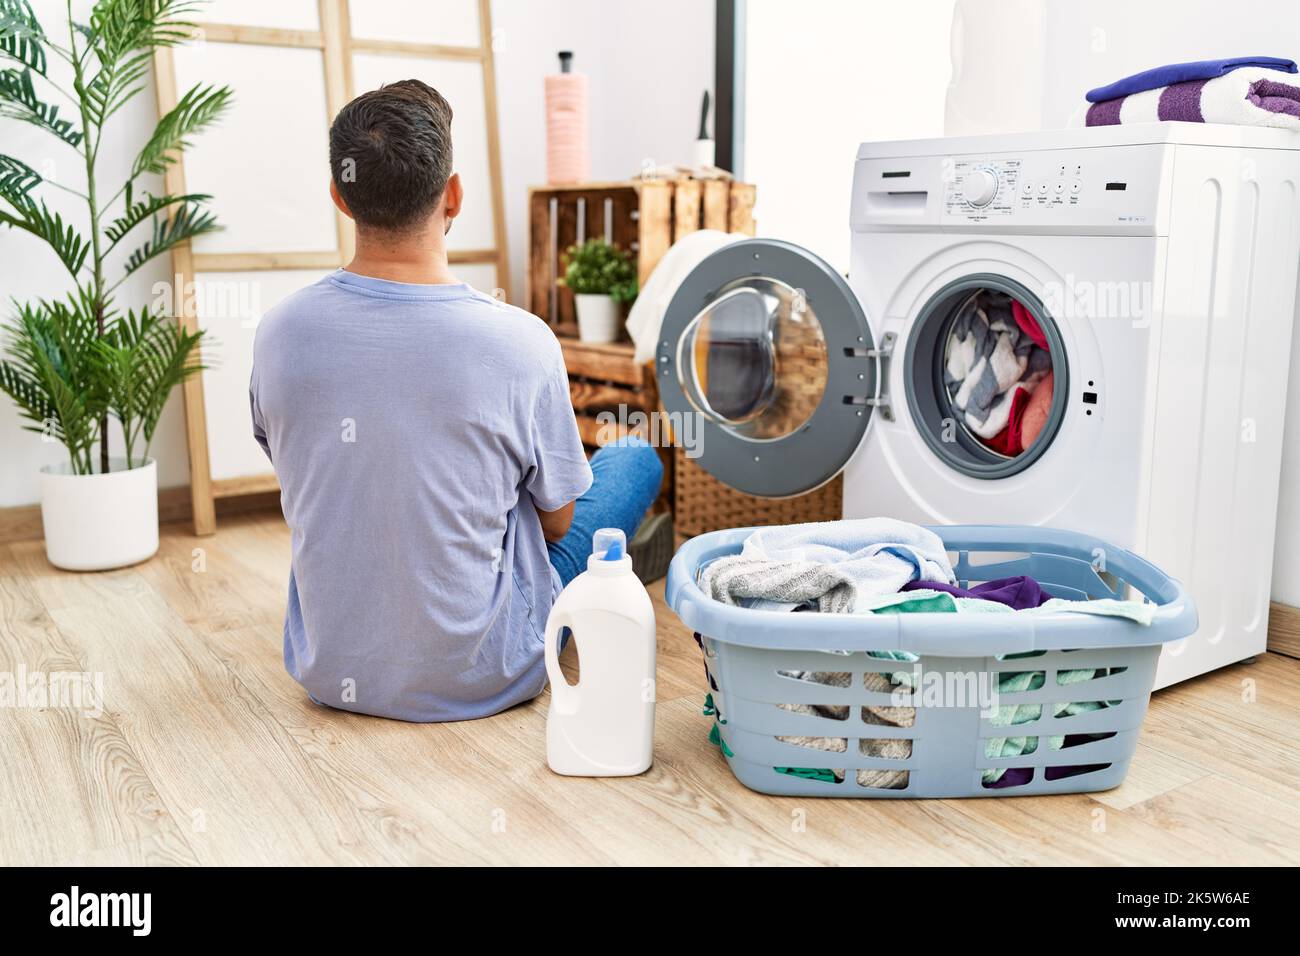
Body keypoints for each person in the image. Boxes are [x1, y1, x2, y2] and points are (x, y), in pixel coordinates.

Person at [250, 79, 662, 721]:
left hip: (331, 669)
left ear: (340, 196)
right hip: (493, 670)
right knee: (634, 456)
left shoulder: (278, 332)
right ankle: (611, 575)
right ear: (454, 195)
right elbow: (557, 524)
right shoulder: (522, 341)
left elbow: (304, 467)